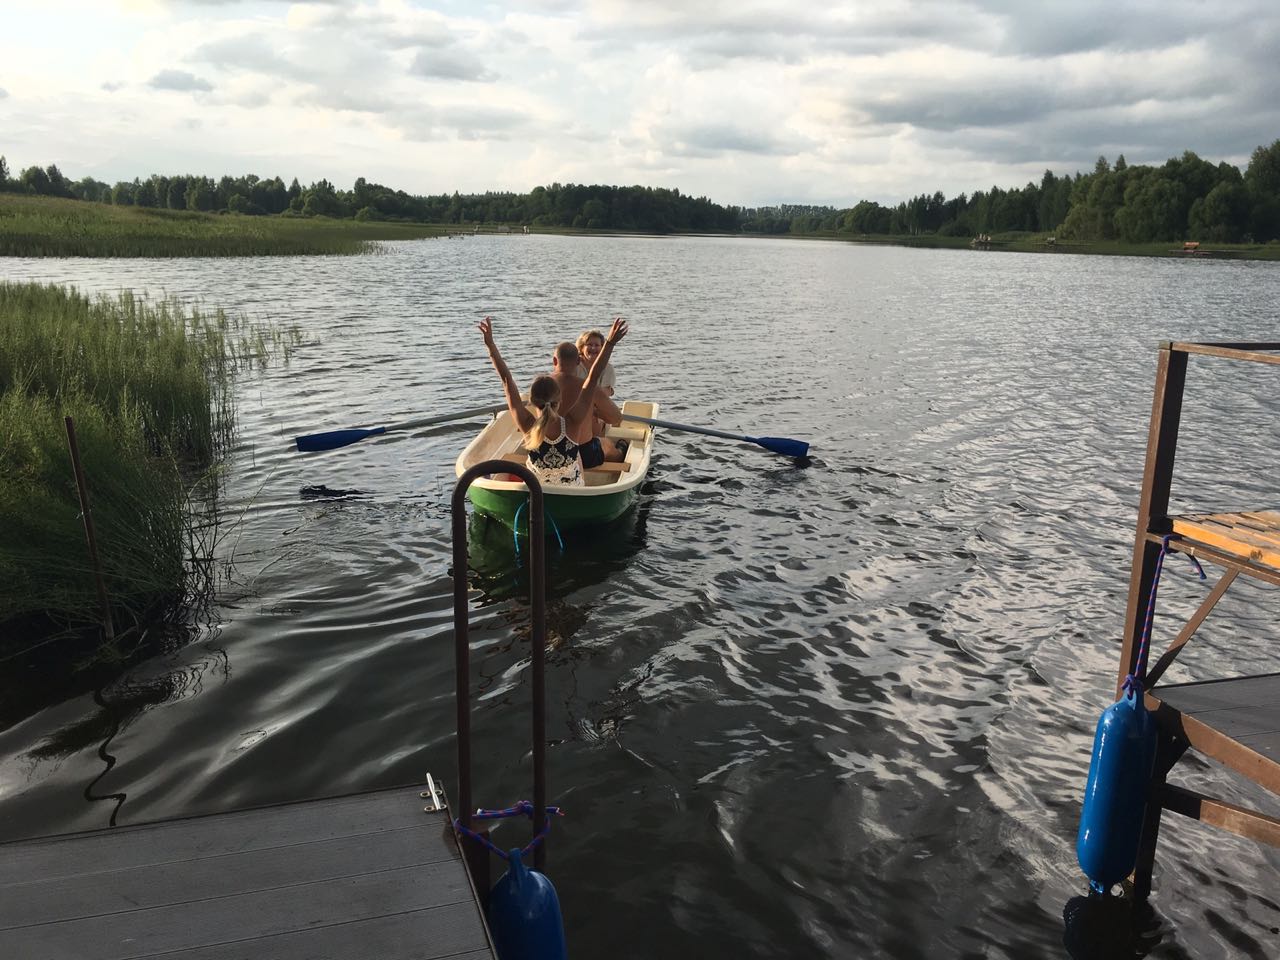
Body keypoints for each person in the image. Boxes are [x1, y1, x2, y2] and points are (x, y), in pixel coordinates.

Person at [479, 316, 628, 485]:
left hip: (537, 494)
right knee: (586, 454)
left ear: (533, 401)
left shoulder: (528, 426)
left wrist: (490, 345)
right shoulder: (572, 424)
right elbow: (592, 379)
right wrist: (610, 343)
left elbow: (506, 380)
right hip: (572, 493)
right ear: (558, 399)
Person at [575, 329, 616, 397]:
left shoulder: (608, 368)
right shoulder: (574, 365)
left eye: (597, 345)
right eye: (589, 345)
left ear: (602, 348)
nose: (593, 348)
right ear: (581, 347)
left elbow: (605, 393)